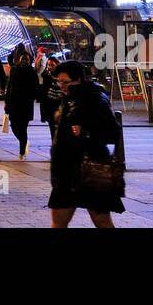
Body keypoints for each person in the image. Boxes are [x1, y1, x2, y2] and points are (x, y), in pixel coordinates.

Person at [48, 61, 123, 228]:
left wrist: (86, 132)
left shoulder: (95, 98)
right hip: (66, 172)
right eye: (59, 81)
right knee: (58, 221)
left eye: (65, 82)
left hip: (90, 170)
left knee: (101, 220)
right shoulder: (66, 99)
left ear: (79, 80)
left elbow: (112, 132)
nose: (61, 86)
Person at [6, 51, 40, 158]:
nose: (24, 61)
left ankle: (22, 150)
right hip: (15, 103)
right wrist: (7, 101)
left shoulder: (32, 72)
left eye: (26, 59)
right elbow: (10, 86)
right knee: (14, 126)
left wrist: (33, 96)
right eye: (23, 59)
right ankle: (23, 141)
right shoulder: (15, 69)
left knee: (23, 127)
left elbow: (35, 88)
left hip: (25, 103)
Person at [39, 56, 62, 133]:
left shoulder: (62, 77)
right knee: (52, 130)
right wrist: (43, 113)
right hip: (50, 108)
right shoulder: (47, 76)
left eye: (52, 65)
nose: (50, 67)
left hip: (60, 106)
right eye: (48, 65)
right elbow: (44, 95)